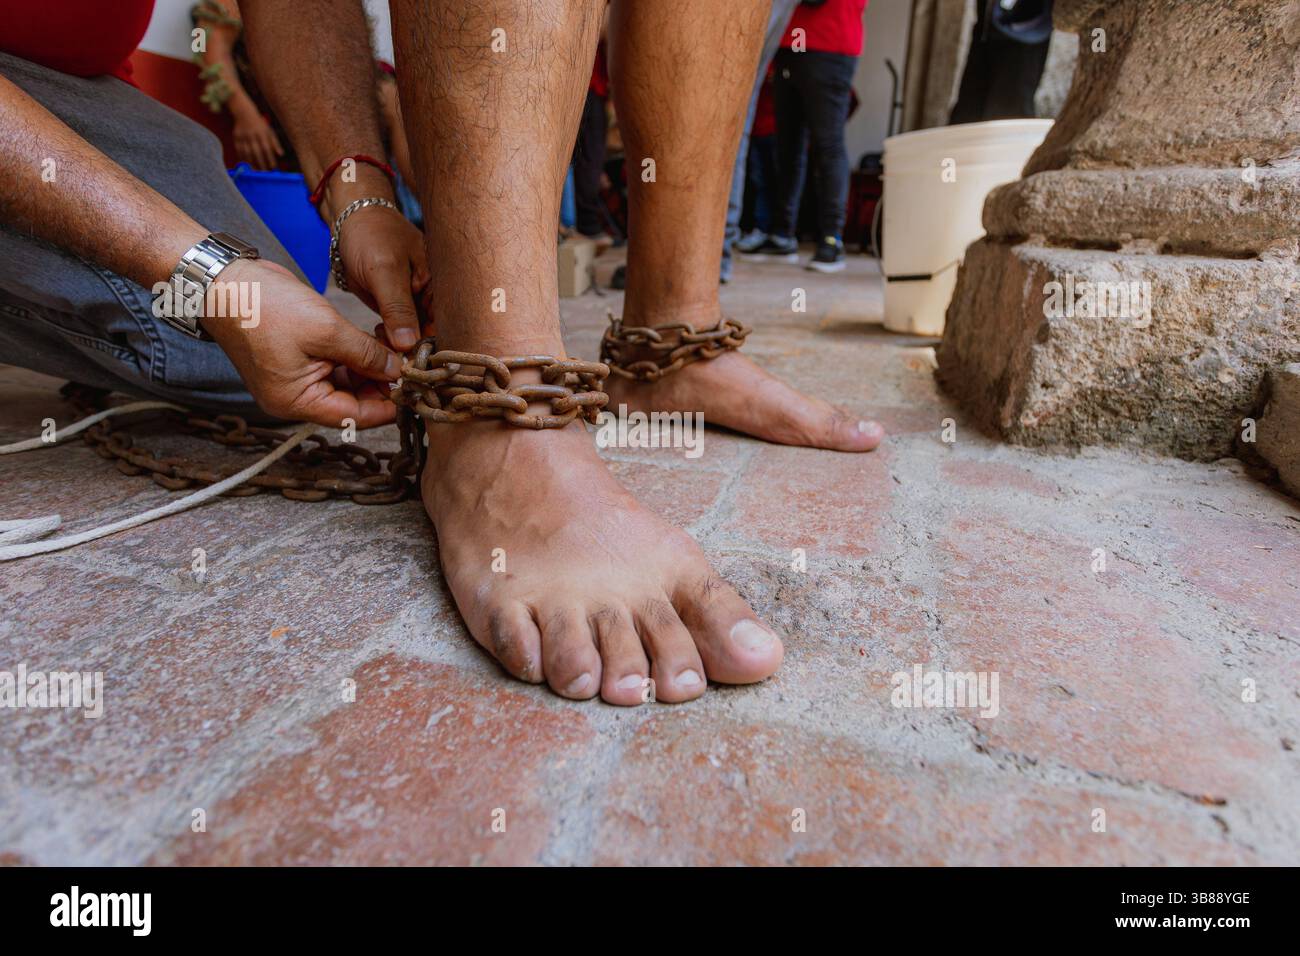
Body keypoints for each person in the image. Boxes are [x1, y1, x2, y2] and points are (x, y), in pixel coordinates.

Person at [0, 0, 884, 705]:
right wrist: (201, 272)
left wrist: (359, 194)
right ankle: (501, 426)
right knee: (227, 347)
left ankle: (672, 338)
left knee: (263, 320)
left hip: (68, 91)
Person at [745, 0, 868, 273]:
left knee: (828, 145)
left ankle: (831, 240)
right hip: (789, 45)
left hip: (831, 44)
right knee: (788, 146)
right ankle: (782, 235)